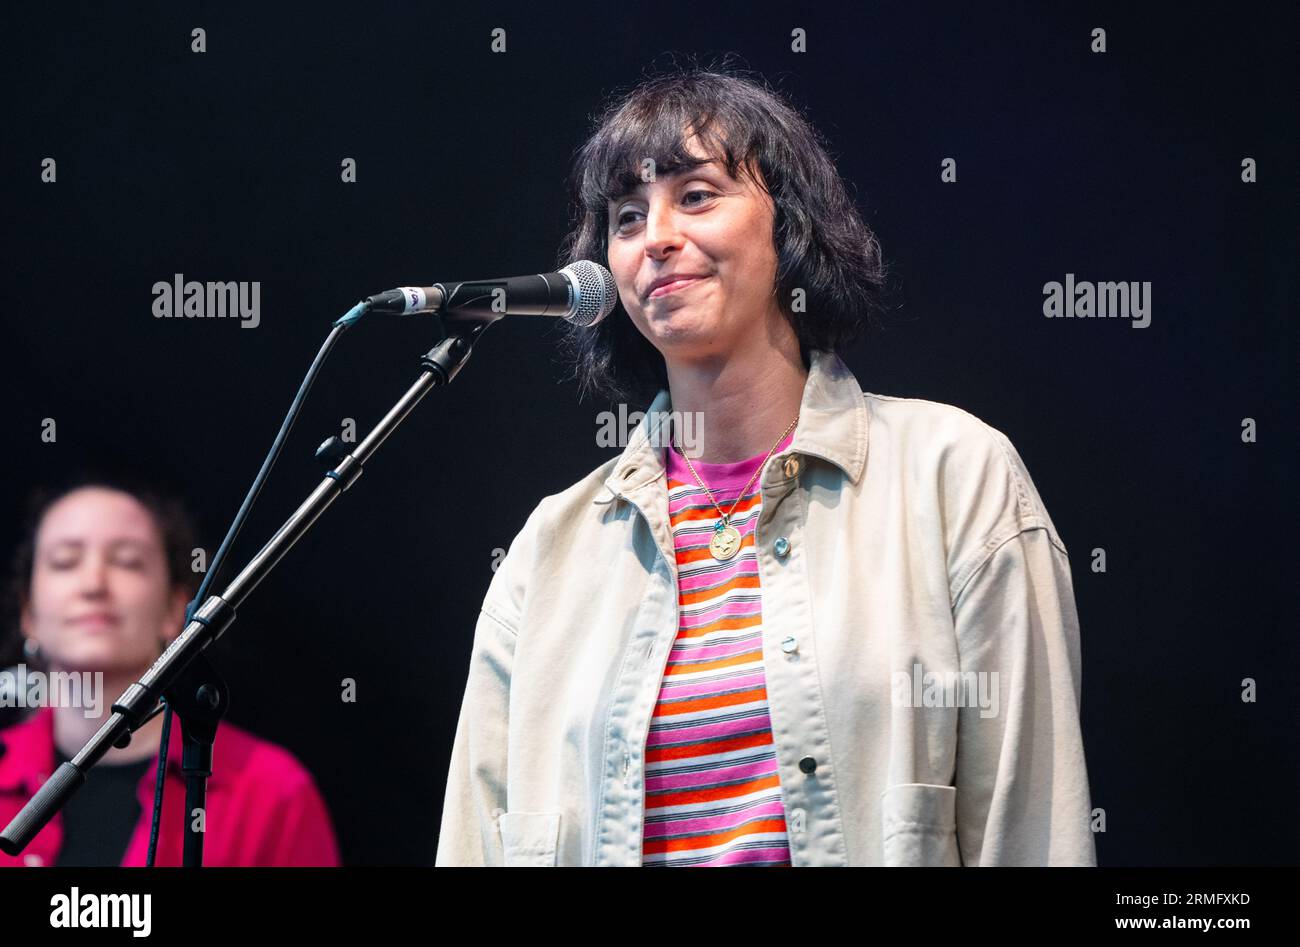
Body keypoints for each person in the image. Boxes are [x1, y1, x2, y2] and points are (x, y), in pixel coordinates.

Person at [435, 65, 1097, 866]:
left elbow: (1034, 835)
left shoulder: (955, 479)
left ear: (791, 226)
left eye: (698, 195)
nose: (658, 238)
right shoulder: (549, 551)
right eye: (627, 216)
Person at [0, 469, 341, 866]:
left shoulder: (272, 792)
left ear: (174, 610)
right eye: (65, 562)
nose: (93, 583)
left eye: (127, 562)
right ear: (29, 614)